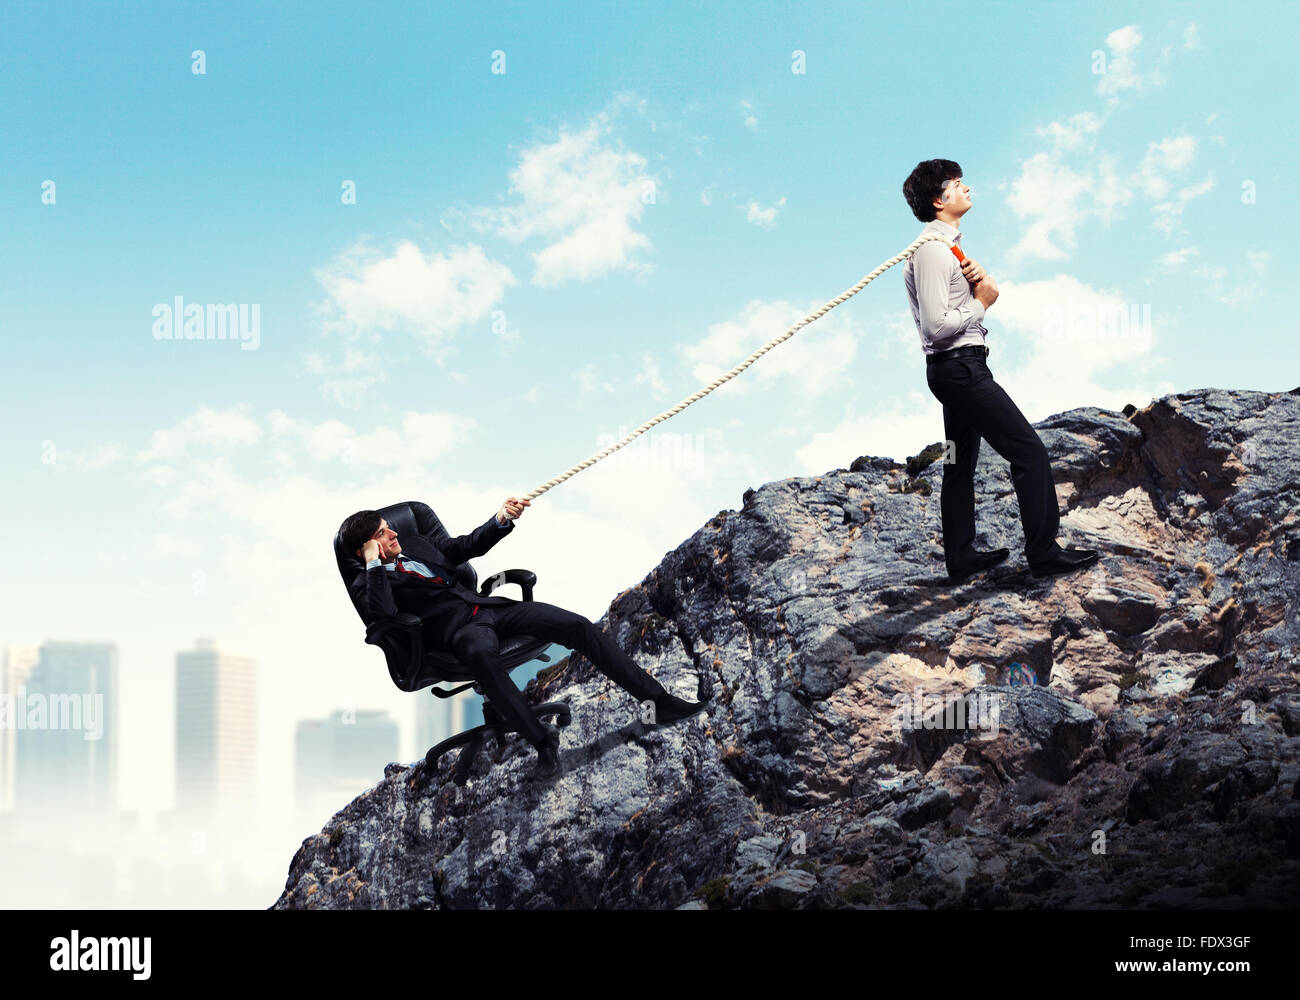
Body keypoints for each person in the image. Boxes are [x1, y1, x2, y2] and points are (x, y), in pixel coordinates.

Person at [338, 498, 707, 775]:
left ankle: (657, 701)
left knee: (576, 625)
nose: (394, 533)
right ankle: (543, 743)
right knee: (483, 659)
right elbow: (384, 615)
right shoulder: (366, 583)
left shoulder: (417, 544)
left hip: (488, 608)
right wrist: (374, 563)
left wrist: (501, 519)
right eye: (383, 533)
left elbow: (464, 547)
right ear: (366, 548)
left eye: (390, 527)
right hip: (457, 633)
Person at [901, 158, 1098, 583]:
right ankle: (1043, 553)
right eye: (957, 183)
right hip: (960, 372)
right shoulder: (932, 251)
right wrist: (982, 302)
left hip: (953, 372)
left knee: (958, 462)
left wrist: (973, 288)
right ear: (938, 200)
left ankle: (961, 557)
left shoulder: (943, 249)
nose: (966, 187)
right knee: (1029, 451)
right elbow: (936, 328)